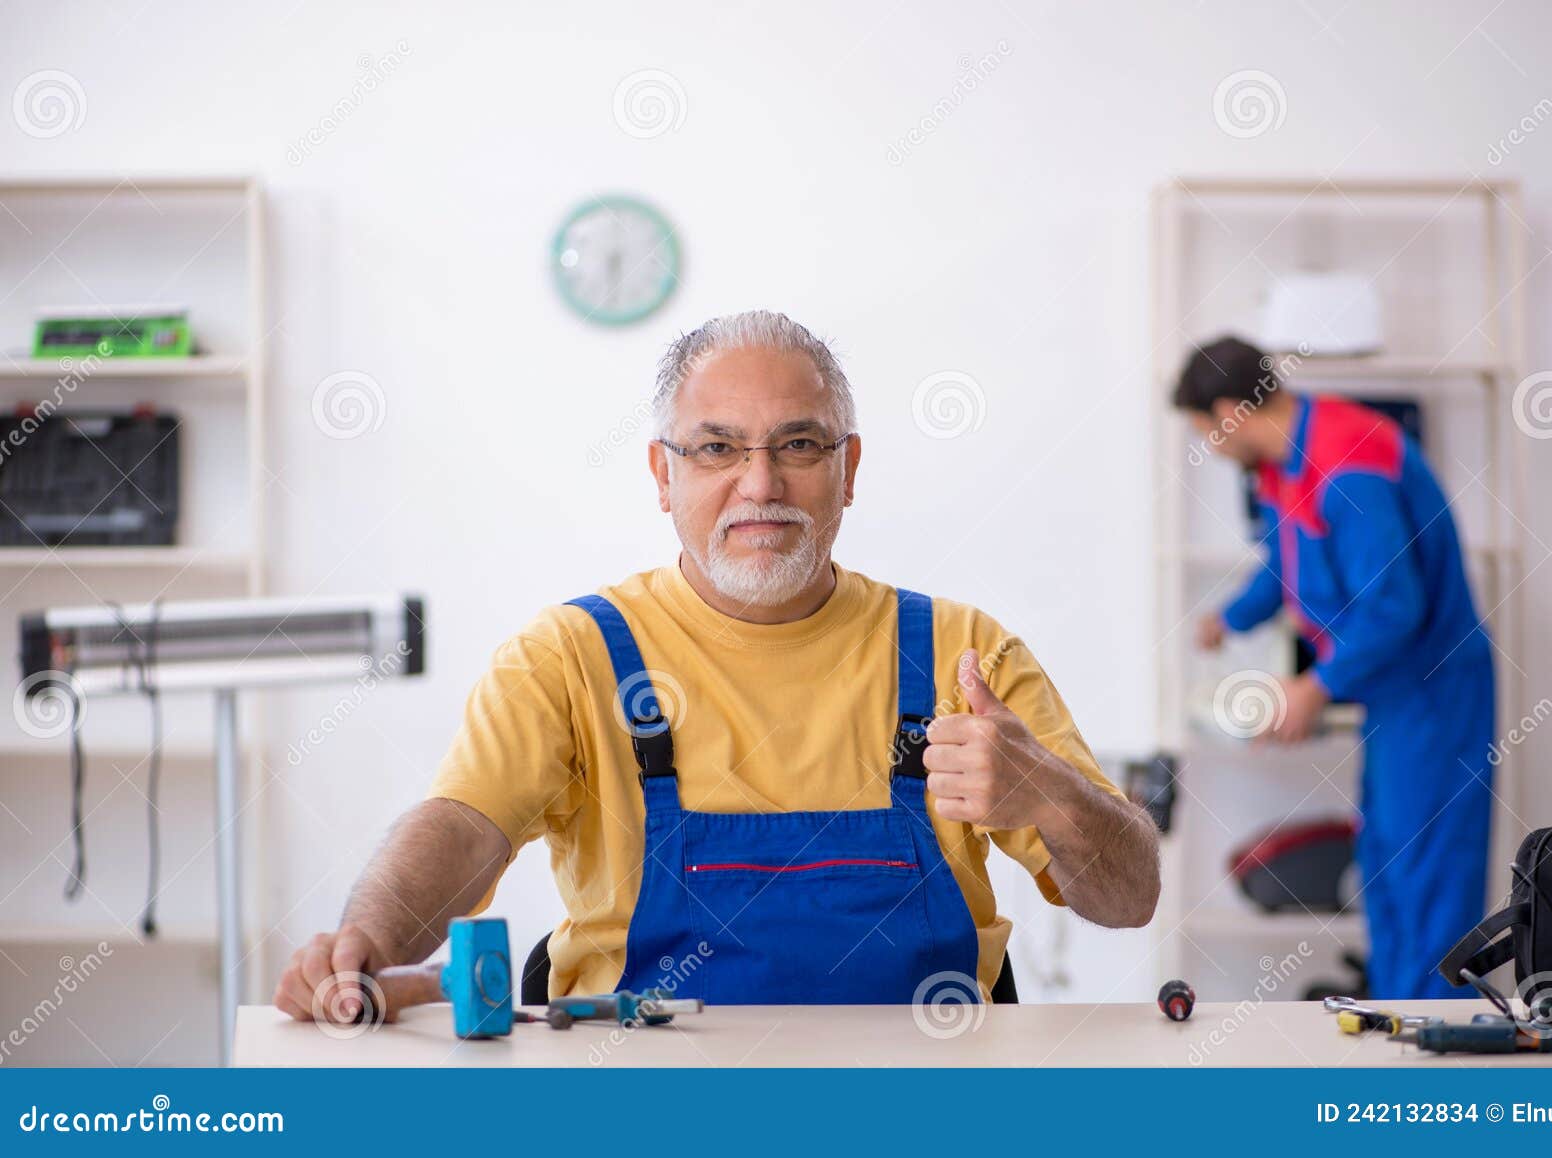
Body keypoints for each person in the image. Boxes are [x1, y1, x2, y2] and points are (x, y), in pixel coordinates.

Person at [275, 310, 1159, 1025]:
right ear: (663, 474)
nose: (761, 483)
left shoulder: (963, 655)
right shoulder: (571, 657)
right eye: (717, 448)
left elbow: (1130, 899)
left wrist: (1052, 795)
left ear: (848, 470)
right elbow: (465, 828)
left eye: (799, 446)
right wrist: (368, 938)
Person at [1176, 335, 1494, 1001]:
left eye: (1205, 431)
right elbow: (1288, 561)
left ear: (1231, 410)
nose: (1207, 446)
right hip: (1391, 695)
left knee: (1428, 876)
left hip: (1433, 691)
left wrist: (1314, 689)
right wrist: (1228, 619)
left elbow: (1393, 607)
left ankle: (1440, 1051)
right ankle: (1398, 1026)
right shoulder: (1284, 465)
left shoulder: (1347, 458)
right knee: (1384, 867)